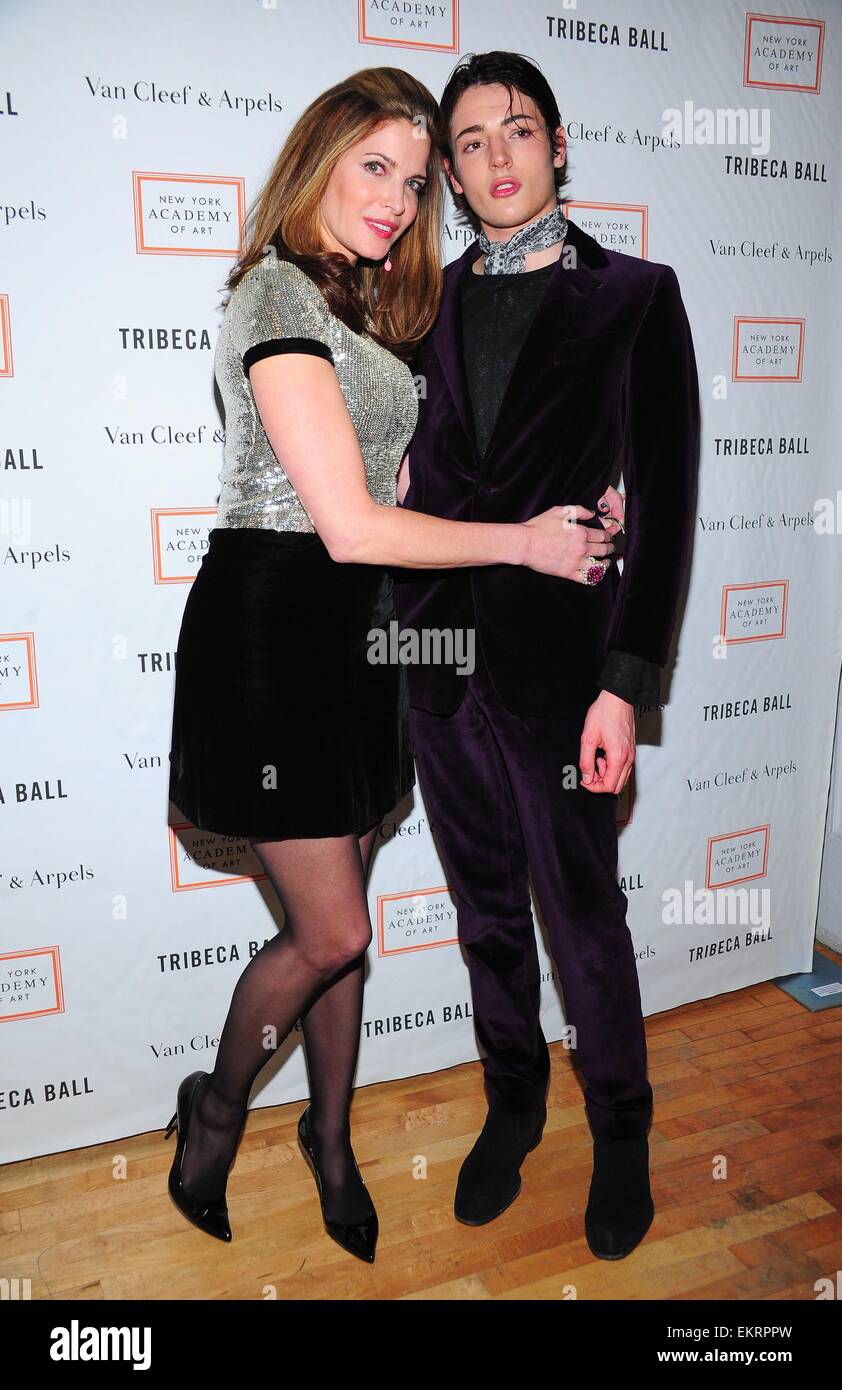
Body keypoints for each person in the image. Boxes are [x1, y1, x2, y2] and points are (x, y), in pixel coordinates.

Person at [165, 66, 621, 1263]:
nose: (398, 199)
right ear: (317, 158)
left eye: (416, 184)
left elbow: (419, 487)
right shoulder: (272, 295)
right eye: (376, 167)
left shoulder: (371, 308)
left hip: (367, 641)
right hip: (271, 637)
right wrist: (523, 546)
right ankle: (212, 1109)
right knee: (332, 934)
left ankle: (328, 1137)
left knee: (351, 911)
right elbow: (351, 523)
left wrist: (584, 491)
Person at [393, 51, 700, 1259]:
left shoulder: (633, 296)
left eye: (516, 131)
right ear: (453, 174)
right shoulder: (421, 306)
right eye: (468, 142)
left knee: (579, 913)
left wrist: (624, 684)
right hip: (435, 658)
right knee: (480, 912)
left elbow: (663, 506)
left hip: (563, 667)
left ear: (558, 144)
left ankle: (619, 1128)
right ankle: (512, 1102)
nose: (495, 157)